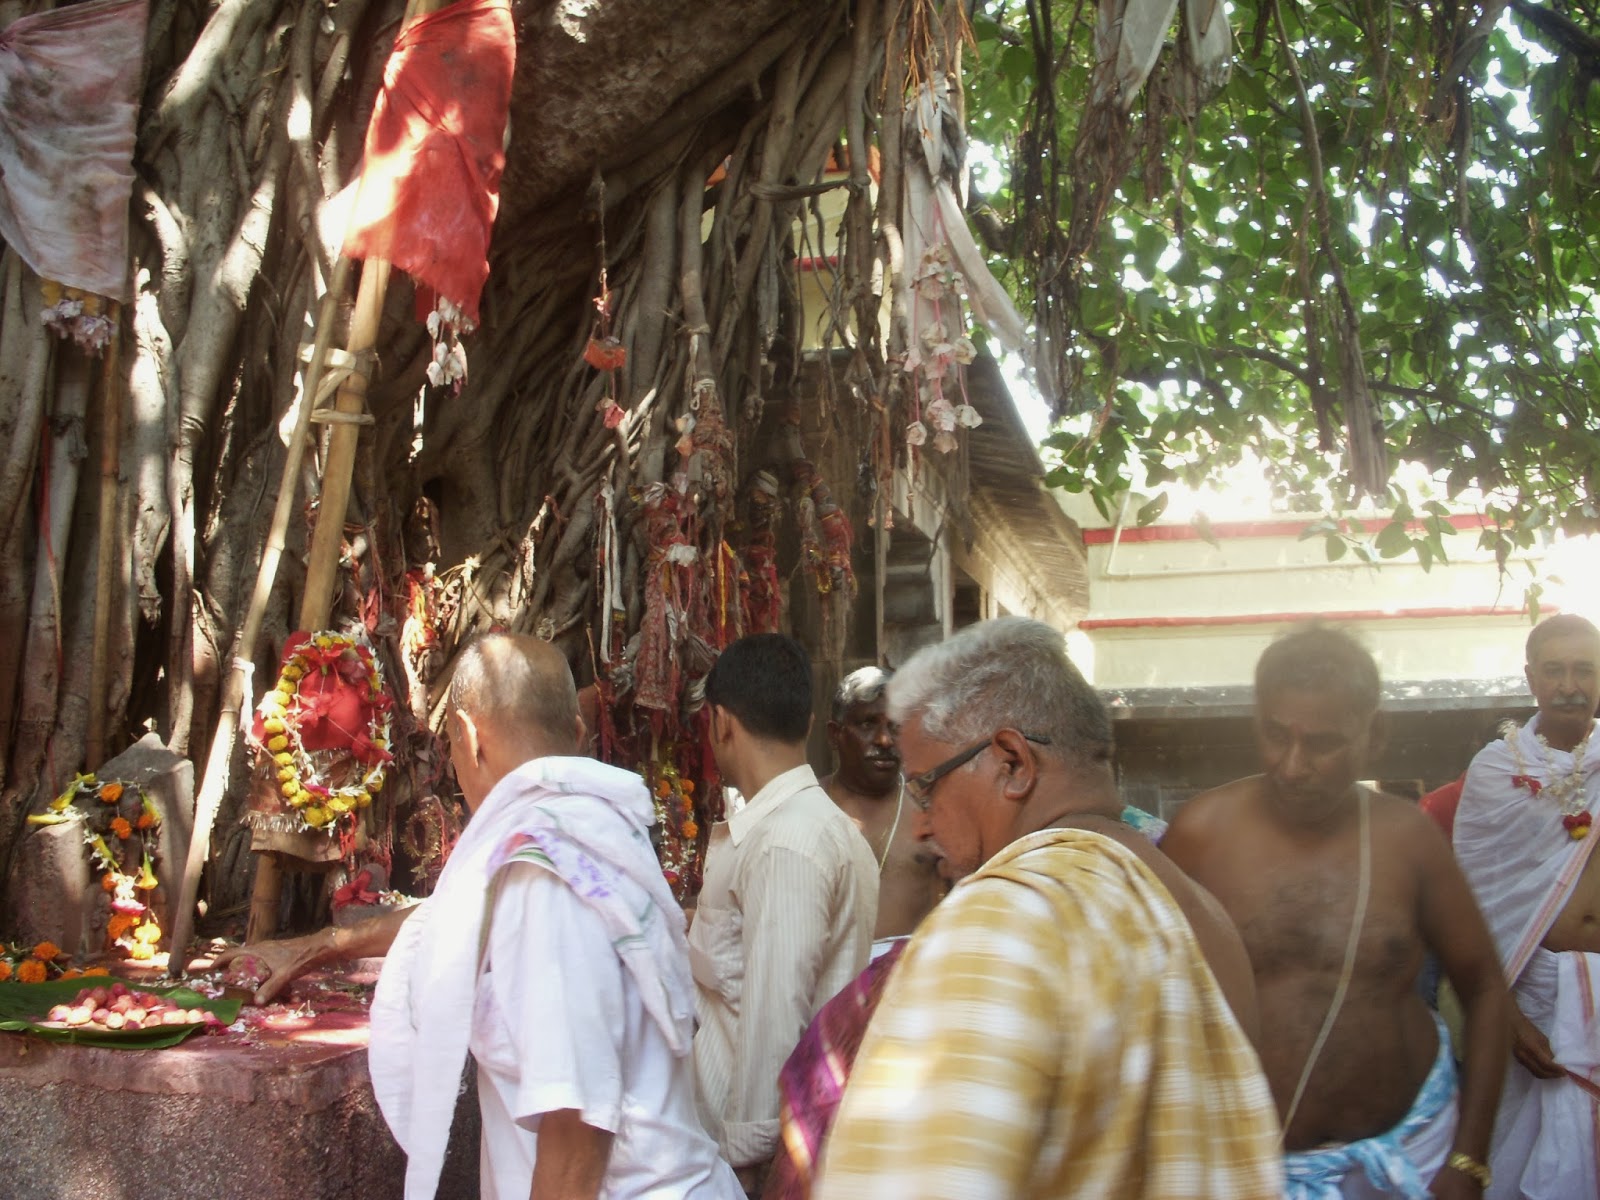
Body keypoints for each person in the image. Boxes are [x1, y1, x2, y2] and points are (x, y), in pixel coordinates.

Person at [814, 617, 1282, 1200]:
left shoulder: (1001, 919)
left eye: (927, 787)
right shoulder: (1196, 914)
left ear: (1012, 763)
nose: (922, 824)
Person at [365, 632, 740, 1200]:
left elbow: (578, 1131)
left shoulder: (548, 877)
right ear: (580, 734)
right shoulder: (590, 835)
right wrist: (323, 946)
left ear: (466, 737)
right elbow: (450, 920)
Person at [1161, 624, 1508, 1200]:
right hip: (1246, 1168)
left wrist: (1469, 1160)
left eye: (1322, 743)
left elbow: (1487, 989)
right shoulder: (1200, 836)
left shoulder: (1409, 839)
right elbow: (1149, 1003)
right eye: (1275, 735)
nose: (1292, 766)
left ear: (1375, 734)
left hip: (1410, 1151)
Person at [689, 634, 878, 1195]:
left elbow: (775, 1013)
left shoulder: (785, 841)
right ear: (812, 719)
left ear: (721, 722)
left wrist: (751, 1158)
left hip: (751, 1165)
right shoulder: (815, 830)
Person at [1453, 613, 1600, 1199]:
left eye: (1584, 669)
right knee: (1521, 1156)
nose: (1570, 683)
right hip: (1530, 993)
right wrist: (1506, 1015)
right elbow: (1471, 906)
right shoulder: (1496, 770)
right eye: (1555, 669)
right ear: (1531, 678)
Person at [818, 667, 943, 952]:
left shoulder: (931, 811)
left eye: (895, 727)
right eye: (867, 725)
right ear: (834, 735)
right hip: (828, 988)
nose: (884, 741)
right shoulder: (808, 806)